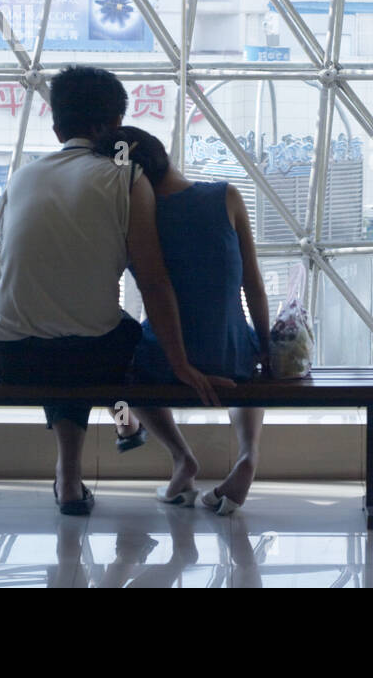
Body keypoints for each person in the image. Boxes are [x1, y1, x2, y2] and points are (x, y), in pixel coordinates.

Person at [0, 67, 231, 516]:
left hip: (12, 355)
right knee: (101, 343)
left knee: (49, 335)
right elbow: (152, 280)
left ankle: (71, 476)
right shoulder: (126, 176)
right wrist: (181, 364)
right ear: (117, 126)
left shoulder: (22, 176)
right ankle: (124, 424)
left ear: (56, 127)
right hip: (89, 355)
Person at [93, 126, 270, 515]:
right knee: (246, 353)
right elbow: (254, 285)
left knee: (116, 367)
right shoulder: (227, 196)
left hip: (165, 364)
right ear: (164, 156)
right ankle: (248, 458)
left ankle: (179, 456)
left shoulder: (134, 220)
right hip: (232, 358)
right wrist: (266, 351)